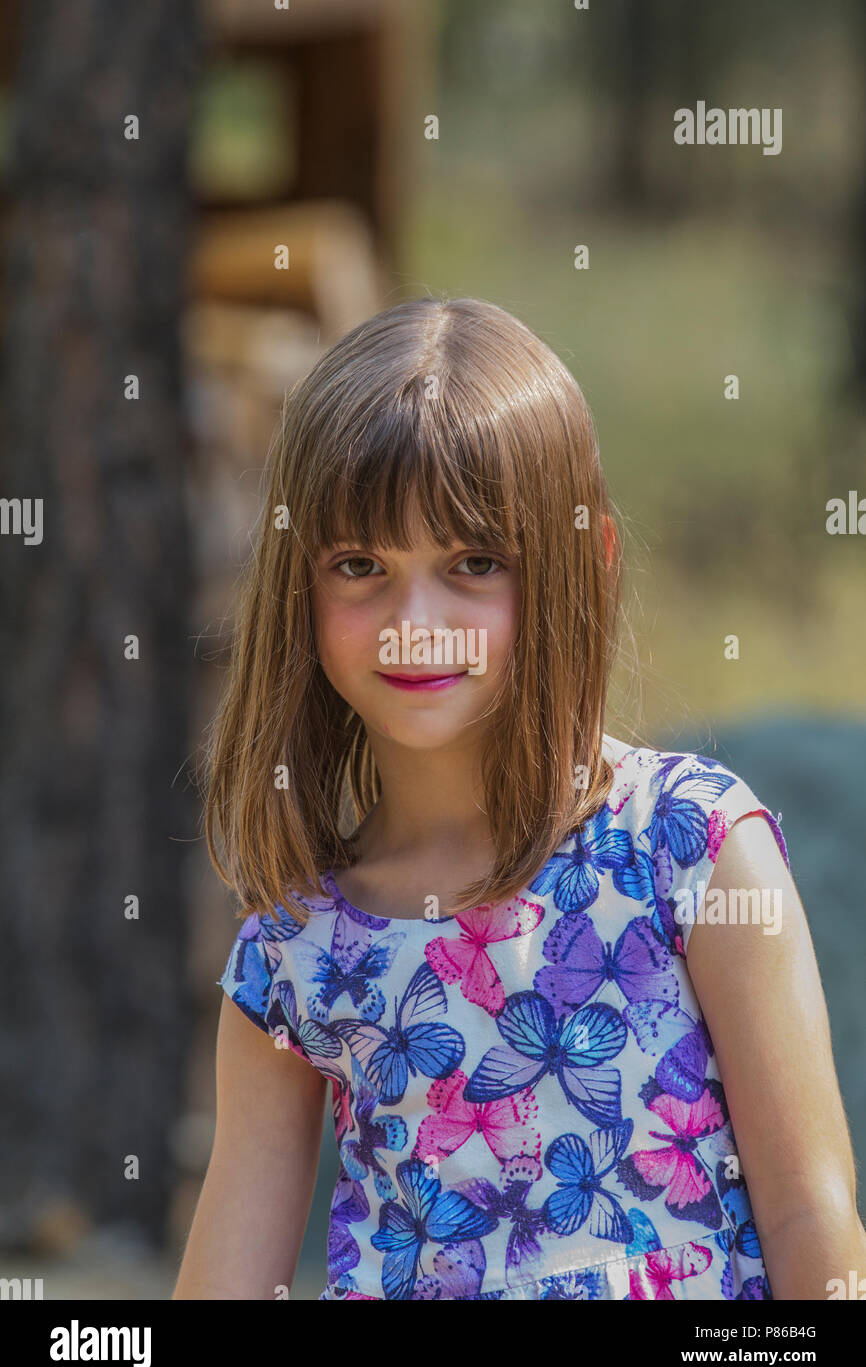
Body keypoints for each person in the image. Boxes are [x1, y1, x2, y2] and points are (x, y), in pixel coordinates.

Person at [173, 296, 865, 1301]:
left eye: (472, 564)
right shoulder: (292, 950)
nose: (417, 622)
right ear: (297, 588)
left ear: (582, 562)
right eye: (360, 566)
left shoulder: (692, 848)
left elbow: (811, 1216)